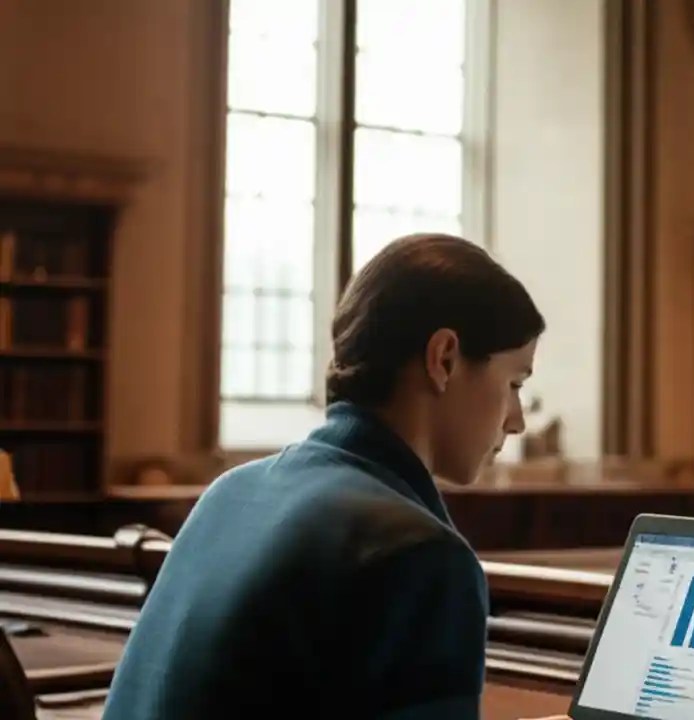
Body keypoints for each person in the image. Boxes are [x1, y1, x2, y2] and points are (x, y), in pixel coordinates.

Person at [104, 234, 569, 719]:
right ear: (444, 359)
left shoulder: (230, 494)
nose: (516, 420)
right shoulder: (419, 554)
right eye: (514, 383)